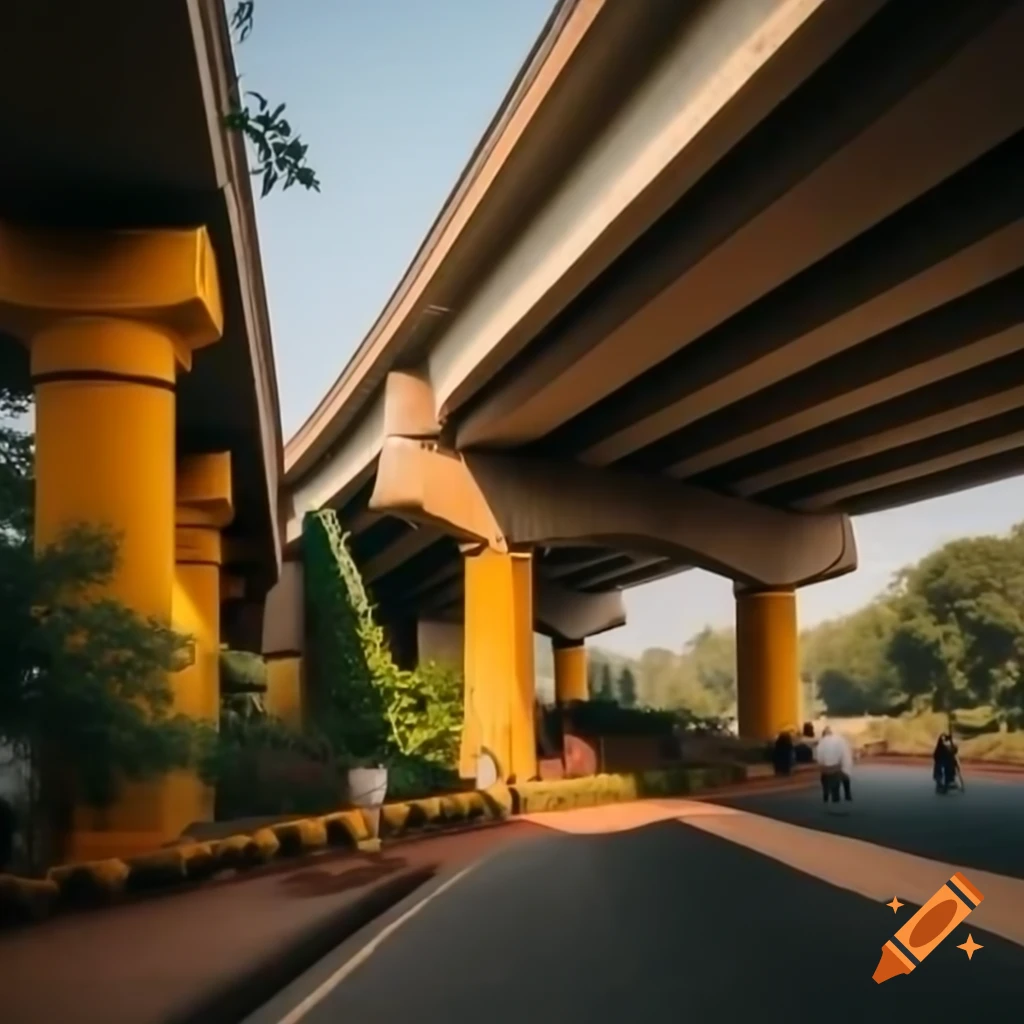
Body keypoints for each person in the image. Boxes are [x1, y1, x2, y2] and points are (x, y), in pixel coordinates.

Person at [815, 725, 853, 803]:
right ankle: (846, 795)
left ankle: (826, 796)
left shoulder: (821, 743)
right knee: (844, 777)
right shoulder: (838, 741)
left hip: (825, 770)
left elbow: (818, 758)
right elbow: (844, 756)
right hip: (835, 769)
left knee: (826, 778)